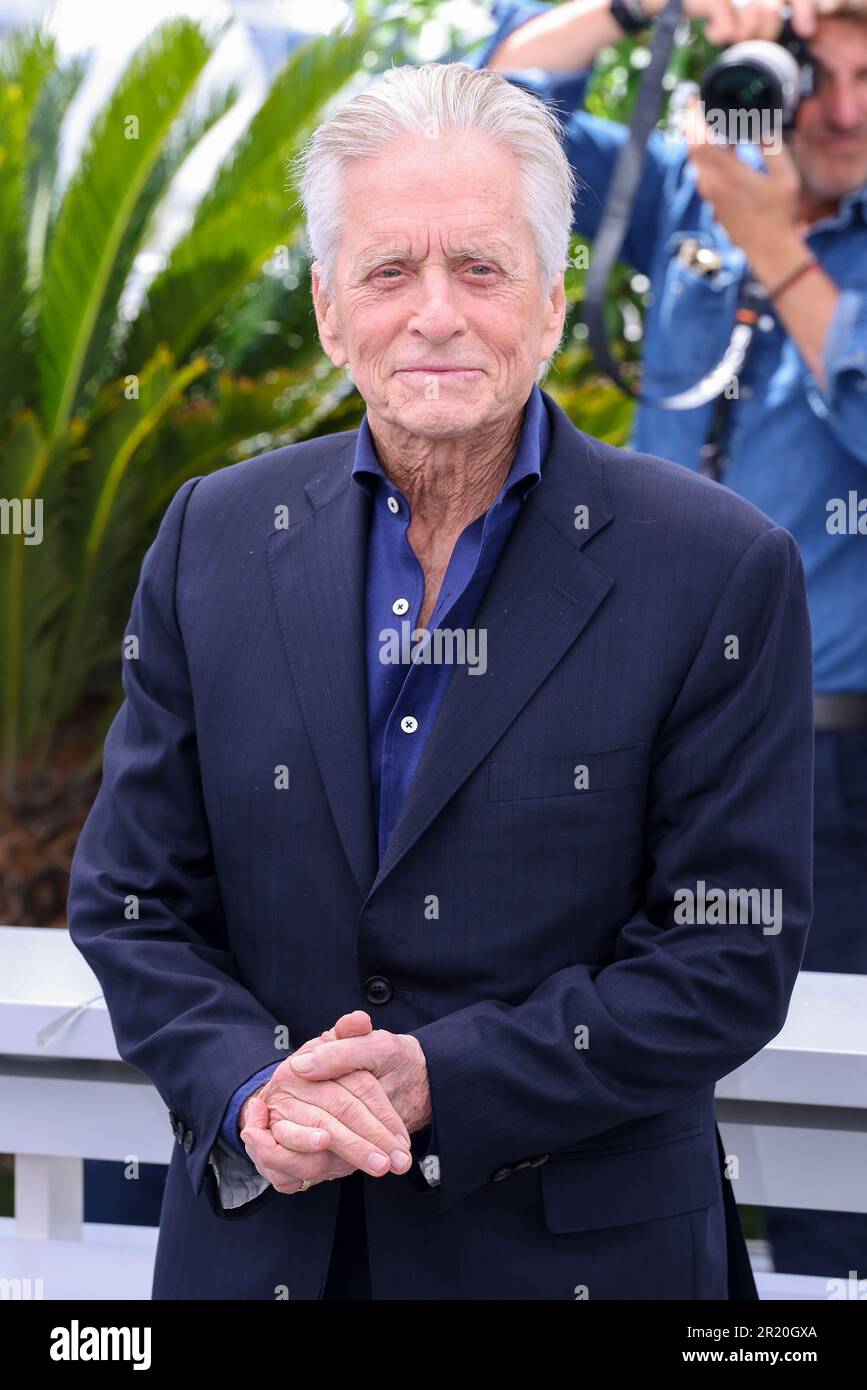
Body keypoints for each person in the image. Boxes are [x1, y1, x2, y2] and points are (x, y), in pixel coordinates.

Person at [67, 57, 813, 1300]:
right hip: (262, 1255)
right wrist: (253, 1088)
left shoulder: (719, 567)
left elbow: (725, 955)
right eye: (388, 271)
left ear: (553, 302)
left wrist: (440, 1081)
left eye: (480, 267)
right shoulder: (210, 536)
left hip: (576, 1264)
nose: (435, 314)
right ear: (328, 308)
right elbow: (133, 899)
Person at [477, 0, 867, 1281]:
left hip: (829, 760)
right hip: (634, 736)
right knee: (619, 1070)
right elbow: (482, 127)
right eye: (819, 73)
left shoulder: (758, 218)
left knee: (832, 1090)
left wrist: (778, 248)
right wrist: (635, 7)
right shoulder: (689, 190)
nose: (845, 110)